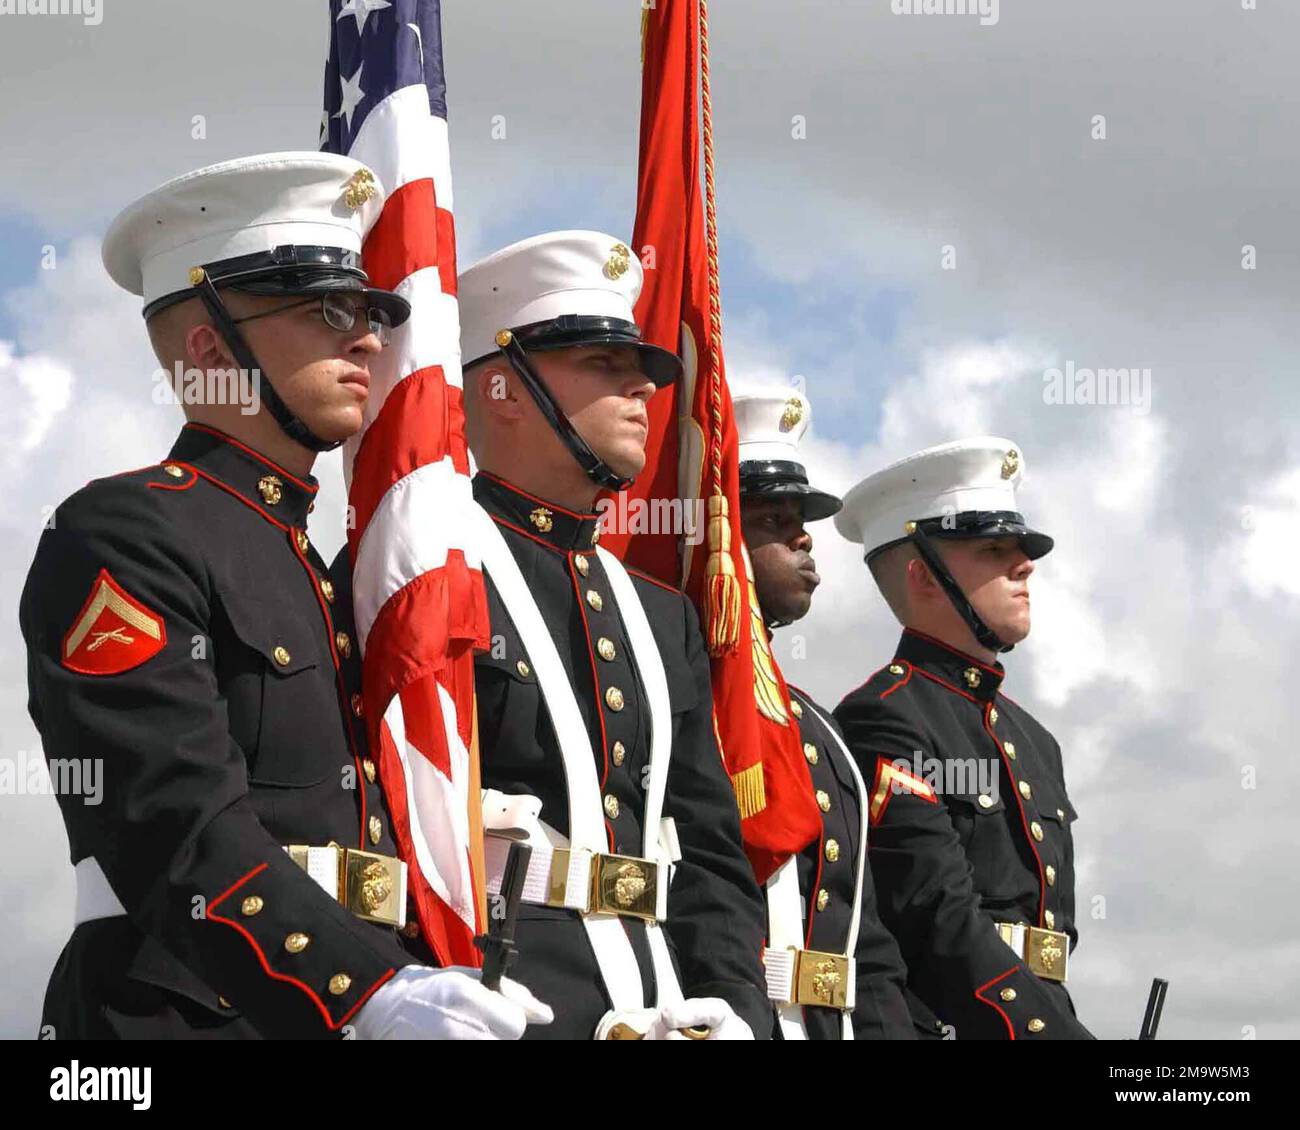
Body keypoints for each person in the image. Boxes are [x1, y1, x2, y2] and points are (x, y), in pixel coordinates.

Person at [20, 152, 548, 1040]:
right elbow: (168, 820)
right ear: (211, 347)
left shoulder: (331, 569)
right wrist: (363, 994)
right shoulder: (124, 534)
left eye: (371, 312)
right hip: (182, 1013)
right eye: (326, 310)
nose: (369, 340)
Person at [445, 230, 771, 1039]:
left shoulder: (665, 615)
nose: (642, 390)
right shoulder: (430, 570)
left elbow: (708, 854)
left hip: (664, 1006)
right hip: (502, 998)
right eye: (601, 365)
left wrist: (735, 1009)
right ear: (504, 390)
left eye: (645, 373)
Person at [832, 437, 1092, 1039]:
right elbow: (935, 919)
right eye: (994, 549)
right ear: (923, 574)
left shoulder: (1035, 739)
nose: (1024, 565)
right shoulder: (885, 719)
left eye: (1021, 550)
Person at [734, 388, 942, 1040]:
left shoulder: (820, 731)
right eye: (771, 519)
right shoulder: (689, 704)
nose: (803, 537)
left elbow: (866, 944)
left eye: (802, 519)